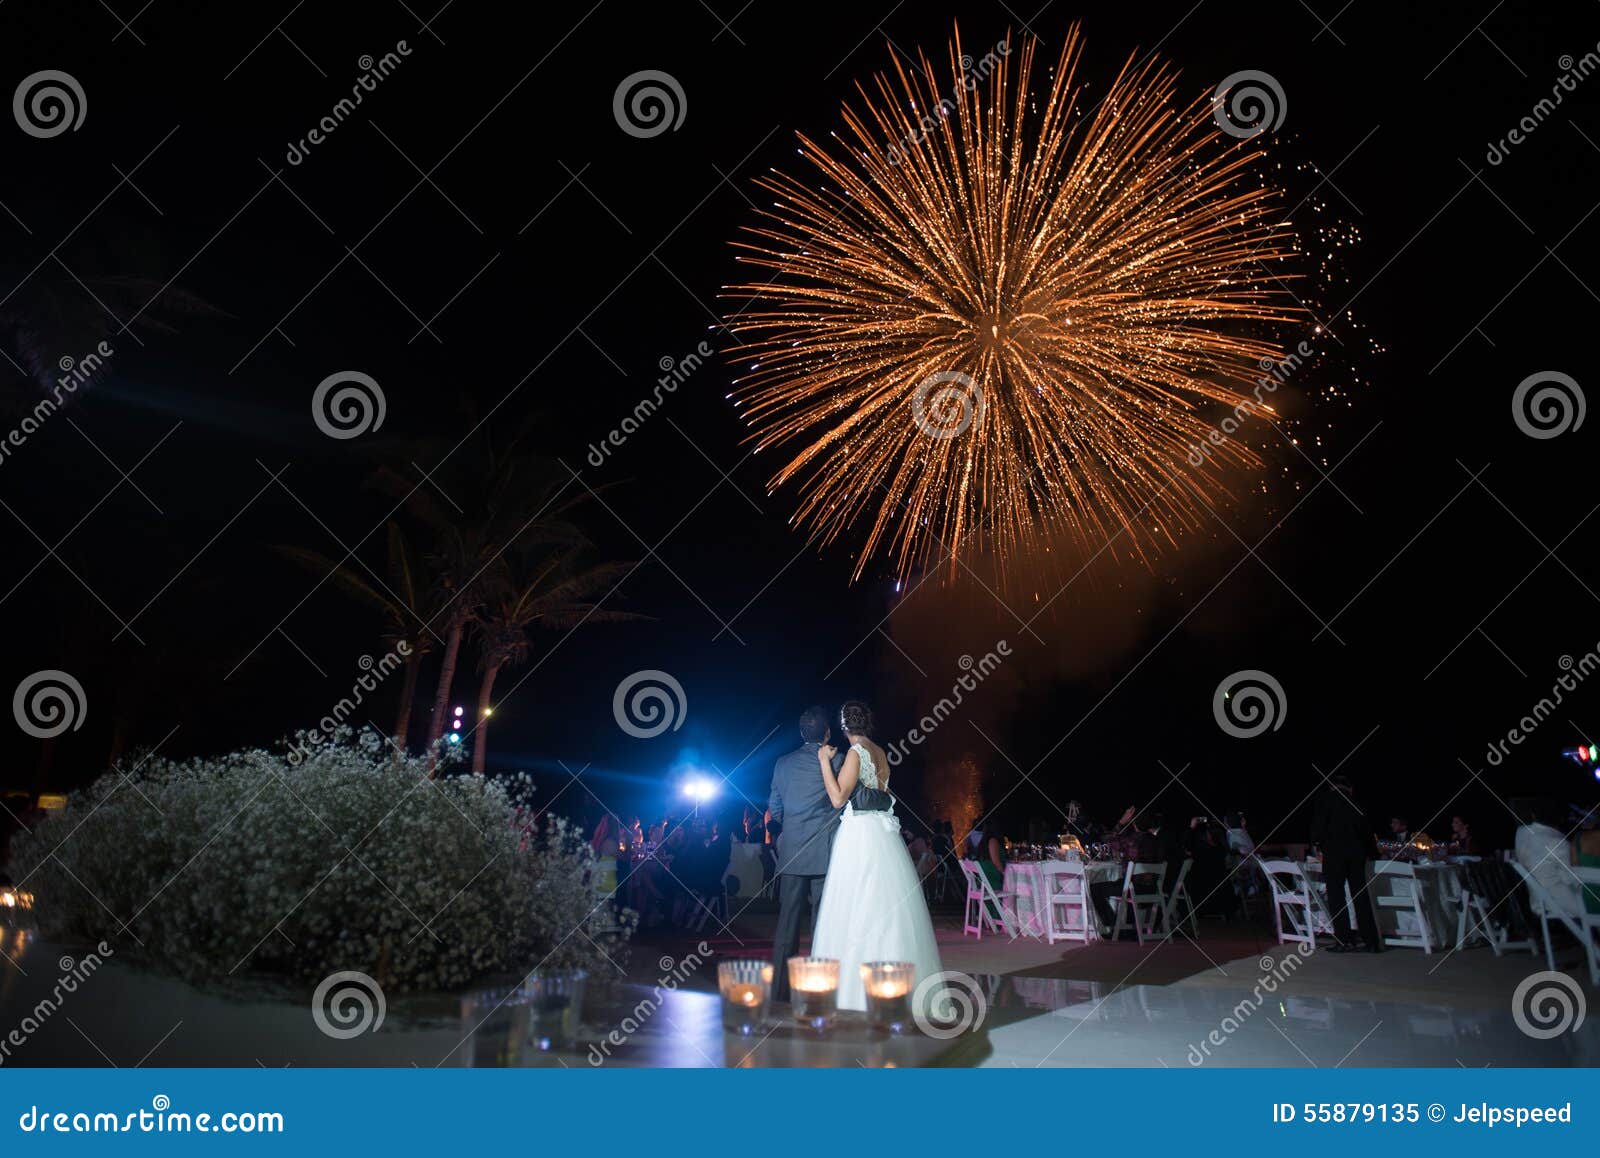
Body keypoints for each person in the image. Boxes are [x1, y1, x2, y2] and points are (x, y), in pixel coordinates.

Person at [811, 700, 946, 1015]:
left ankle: (856, 994)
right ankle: (895, 985)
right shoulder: (881, 752)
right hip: (884, 835)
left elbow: (836, 797)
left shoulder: (856, 754)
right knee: (885, 907)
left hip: (860, 836)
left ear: (844, 728)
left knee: (856, 904)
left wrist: (823, 762)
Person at [767, 705, 844, 1002]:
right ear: (827, 734)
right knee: (821, 924)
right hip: (824, 853)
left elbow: (774, 807)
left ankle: (779, 993)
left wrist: (789, 823)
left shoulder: (782, 763)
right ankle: (815, 990)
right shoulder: (834, 760)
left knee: (787, 923)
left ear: (801, 733)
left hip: (792, 853)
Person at [1311, 775, 1381, 952]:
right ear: (1349, 788)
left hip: (1334, 854)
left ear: (1333, 787)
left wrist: (1318, 845)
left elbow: (1318, 827)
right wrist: (1373, 854)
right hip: (1356, 854)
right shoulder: (1355, 803)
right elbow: (1367, 831)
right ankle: (1370, 941)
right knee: (1360, 895)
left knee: (1336, 896)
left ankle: (1344, 939)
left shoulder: (1325, 801)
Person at [1513, 798, 1580, 915]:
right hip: (1559, 907)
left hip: (1537, 902)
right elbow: (1573, 879)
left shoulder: (1521, 833)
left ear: (1533, 815)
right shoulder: (1558, 842)